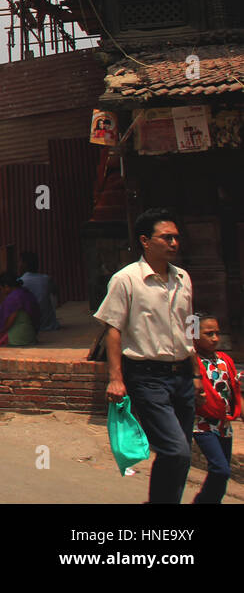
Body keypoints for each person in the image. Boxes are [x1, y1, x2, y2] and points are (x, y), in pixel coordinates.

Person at [95, 208, 195, 504]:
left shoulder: (184, 278)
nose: (174, 243)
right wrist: (115, 379)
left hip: (183, 376)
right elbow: (112, 329)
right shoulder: (126, 280)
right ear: (145, 241)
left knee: (181, 455)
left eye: (176, 237)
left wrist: (198, 373)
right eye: (166, 237)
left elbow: (190, 324)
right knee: (176, 450)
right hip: (147, 377)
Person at [189, 313, 238, 504]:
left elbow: (232, 387)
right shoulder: (192, 364)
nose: (215, 338)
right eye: (209, 334)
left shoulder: (224, 360)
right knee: (220, 469)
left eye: (217, 333)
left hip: (224, 425)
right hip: (202, 424)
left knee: (223, 475)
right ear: (193, 334)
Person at [0, 271, 41, 380]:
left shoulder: (14, 298)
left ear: (6, 286)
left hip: (18, 336)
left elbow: (9, 321)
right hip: (29, 332)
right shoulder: (25, 293)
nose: (2, 291)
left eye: (2, 288)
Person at [17, 251, 61, 331]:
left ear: (24, 265)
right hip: (50, 324)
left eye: (20, 262)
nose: (18, 265)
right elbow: (55, 293)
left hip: (32, 327)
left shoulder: (20, 282)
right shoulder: (46, 279)